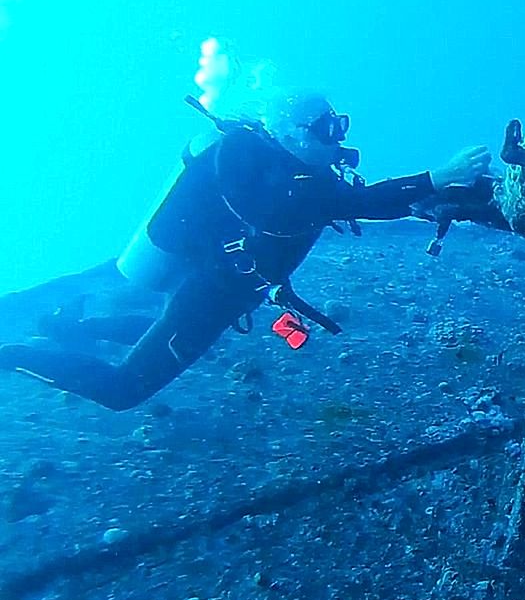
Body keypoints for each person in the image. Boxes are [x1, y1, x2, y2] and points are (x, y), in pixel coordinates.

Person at [0, 89, 492, 411]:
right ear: (297, 135)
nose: (339, 137)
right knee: (123, 389)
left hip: (223, 289)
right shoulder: (292, 188)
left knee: (155, 331)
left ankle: (67, 327)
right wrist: (438, 177)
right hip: (213, 295)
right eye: (328, 130)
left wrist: (436, 197)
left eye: (338, 125)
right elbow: (363, 202)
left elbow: (356, 200)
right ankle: (13, 354)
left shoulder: (296, 176)